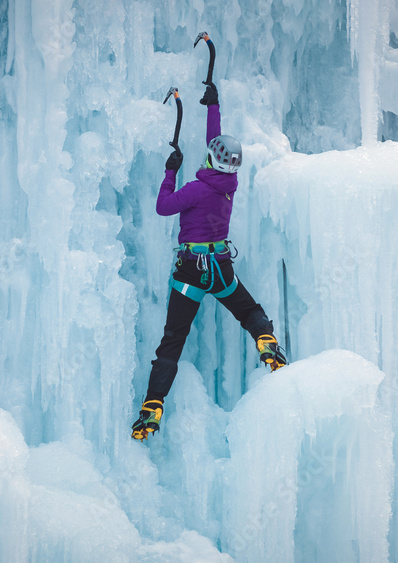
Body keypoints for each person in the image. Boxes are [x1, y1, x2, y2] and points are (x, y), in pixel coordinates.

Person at [131, 82, 287, 441]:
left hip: (190, 272)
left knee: (173, 340)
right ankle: (265, 341)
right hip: (220, 269)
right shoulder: (228, 185)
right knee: (248, 310)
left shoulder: (196, 189)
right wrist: (213, 106)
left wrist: (170, 172)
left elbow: (163, 207)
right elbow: (215, 142)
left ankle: (152, 406)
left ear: (210, 159)